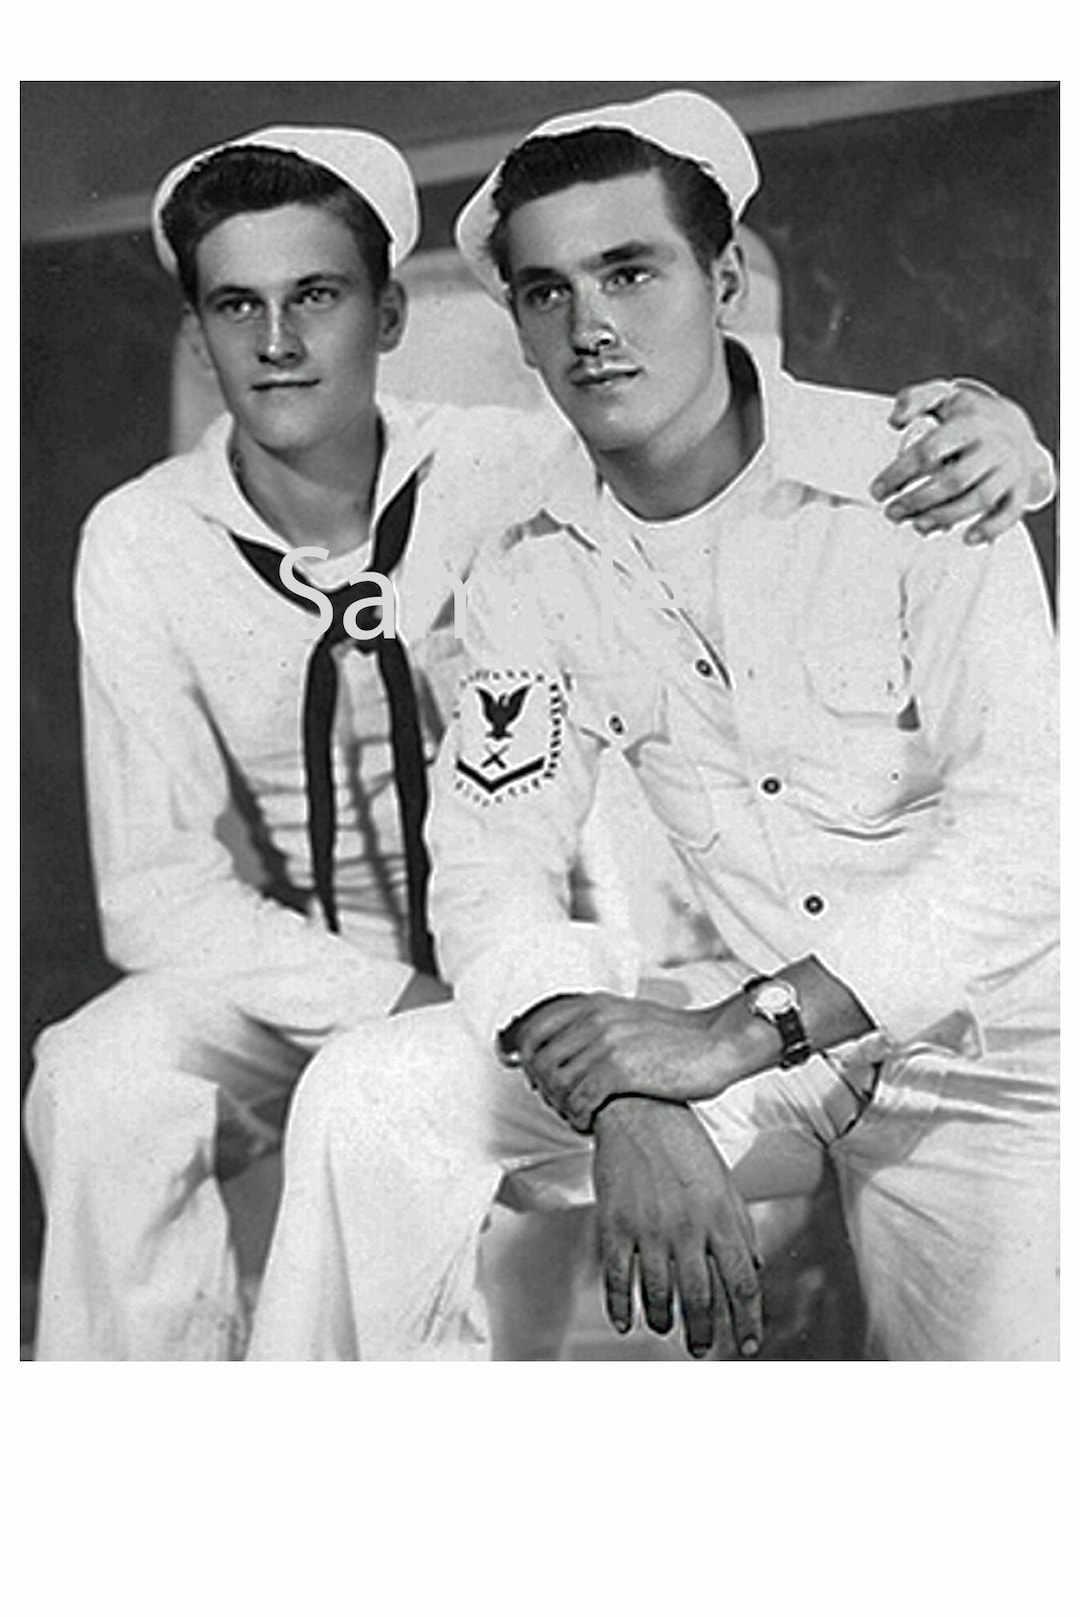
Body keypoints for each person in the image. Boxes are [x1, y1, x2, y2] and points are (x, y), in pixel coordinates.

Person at [246, 90, 1058, 1363]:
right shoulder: (529, 562)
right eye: (548, 292)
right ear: (520, 329)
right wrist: (623, 1089)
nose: (592, 326)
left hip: (1000, 1059)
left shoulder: (922, 476)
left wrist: (725, 1038)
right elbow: (491, 862)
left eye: (630, 272)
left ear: (723, 279)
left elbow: (1029, 853)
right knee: (371, 1092)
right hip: (762, 1050)